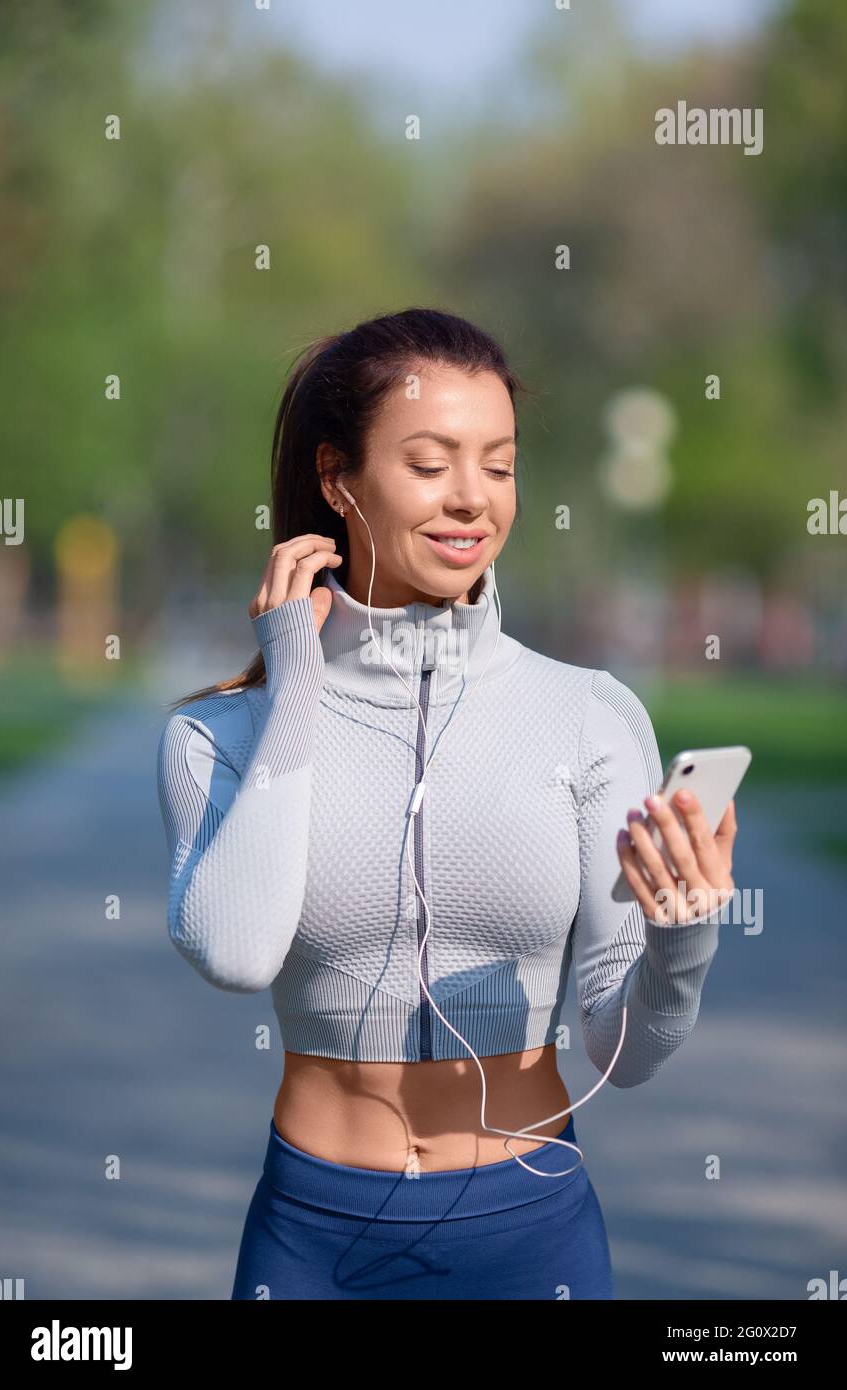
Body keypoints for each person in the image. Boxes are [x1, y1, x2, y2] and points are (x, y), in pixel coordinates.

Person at [156, 307, 738, 1301]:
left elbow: (623, 1055)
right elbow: (236, 954)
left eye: (499, 465)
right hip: (313, 1237)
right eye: (429, 464)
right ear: (338, 477)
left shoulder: (587, 714)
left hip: (530, 1230)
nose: (472, 498)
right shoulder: (220, 733)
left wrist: (680, 937)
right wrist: (296, 684)